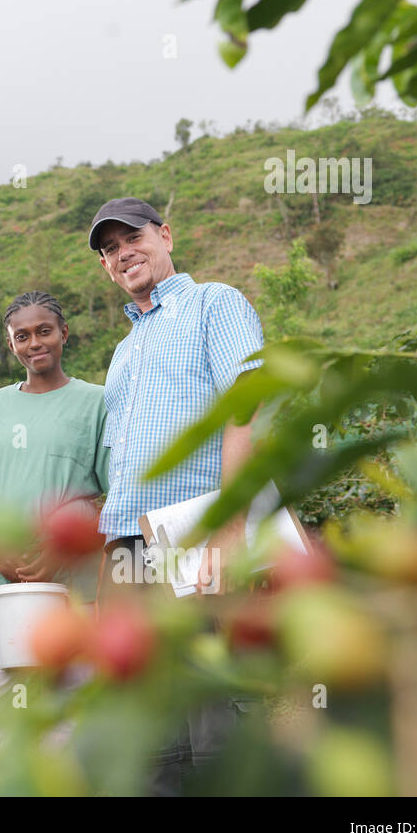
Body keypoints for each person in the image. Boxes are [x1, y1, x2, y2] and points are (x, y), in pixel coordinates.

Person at [88, 196, 265, 795]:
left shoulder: (215, 303)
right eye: (109, 250)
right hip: (128, 547)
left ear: (165, 235)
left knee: (215, 710)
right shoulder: (123, 352)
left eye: (131, 237)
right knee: (143, 716)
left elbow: (245, 406)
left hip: (196, 531)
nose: (122, 253)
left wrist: (232, 526)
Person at [0, 291, 110, 709]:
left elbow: (115, 496)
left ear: (64, 333)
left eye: (44, 331)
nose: (35, 342)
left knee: (72, 707)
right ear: (11, 345)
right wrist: (2, 553)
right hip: (0, 582)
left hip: (74, 583)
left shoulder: (97, 401)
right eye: (22, 336)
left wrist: (62, 550)